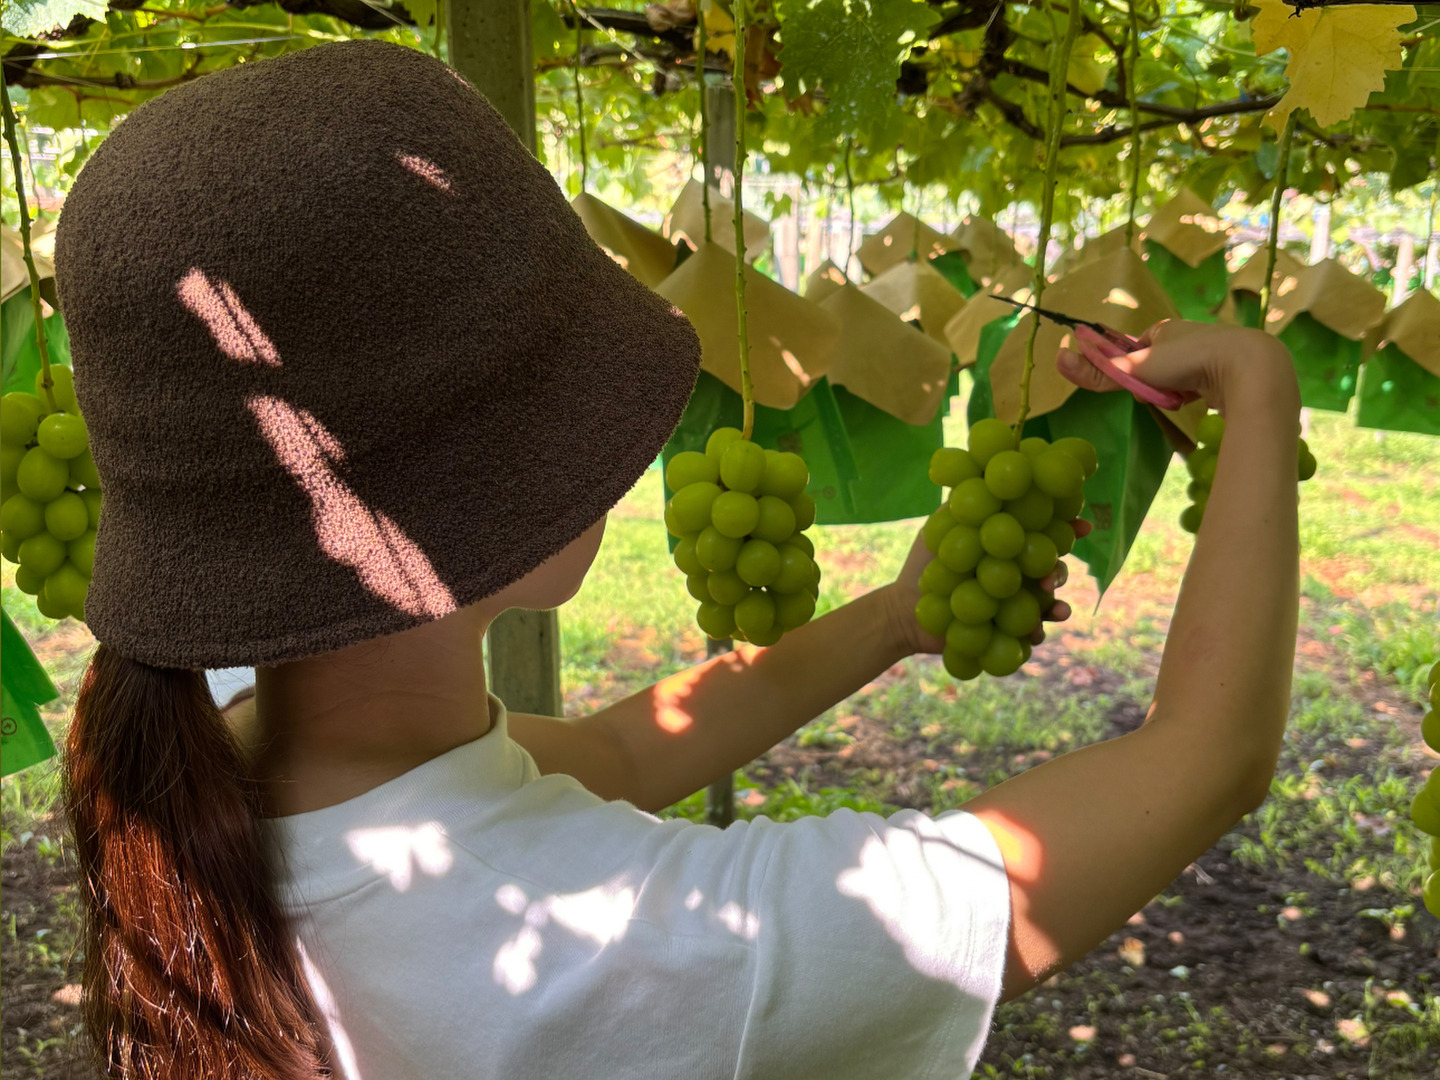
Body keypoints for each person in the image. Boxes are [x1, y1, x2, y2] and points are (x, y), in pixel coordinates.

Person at [53, 41, 1301, 1080]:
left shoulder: (207, 764)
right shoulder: (656, 955)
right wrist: (1256, 388)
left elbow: (608, 758)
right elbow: (1208, 759)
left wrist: (892, 620)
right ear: (488, 490)